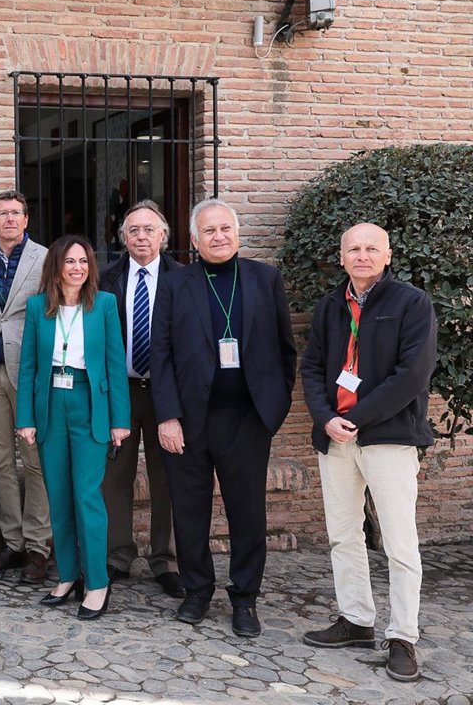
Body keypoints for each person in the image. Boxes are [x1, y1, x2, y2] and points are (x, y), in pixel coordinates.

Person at [150, 199, 296, 638]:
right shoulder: (177, 284)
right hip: (190, 419)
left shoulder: (265, 278)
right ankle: (197, 591)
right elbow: (161, 354)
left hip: (246, 418)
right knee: (190, 510)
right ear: (194, 241)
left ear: (237, 233)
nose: (218, 237)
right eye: (208, 231)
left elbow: (286, 350)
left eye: (225, 229)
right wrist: (168, 416)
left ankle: (245, 599)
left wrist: (273, 407)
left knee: (247, 512)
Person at [299, 223, 436, 682]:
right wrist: (325, 418)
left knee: (400, 544)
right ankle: (357, 620)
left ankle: (403, 637)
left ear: (388, 254)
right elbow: (314, 368)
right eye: (353, 249)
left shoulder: (411, 303)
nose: (362, 255)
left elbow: (412, 375)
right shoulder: (330, 306)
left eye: (371, 248)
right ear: (341, 258)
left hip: (389, 438)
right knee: (343, 534)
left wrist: (356, 418)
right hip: (335, 440)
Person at [16, 235, 130, 619]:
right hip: (50, 403)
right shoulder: (37, 308)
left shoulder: (105, 306)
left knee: (86, 495)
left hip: (89, 404)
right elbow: (28, 366)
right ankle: (67, 575)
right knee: (58, 496)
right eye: (70, 261)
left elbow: (116, 365)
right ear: (56, 268)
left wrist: (120, 420)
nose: (78, 267)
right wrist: (26, 418)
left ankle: (97, 582)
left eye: (83, 261)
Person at [97, 200, 184, 598]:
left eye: (150, 229)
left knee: (168, 477)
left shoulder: (184, 280)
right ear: (123, 238)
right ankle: (118, 555)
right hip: (123, 391)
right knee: (115, 476)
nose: (142, 237)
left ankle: (165, 560)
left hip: (169, 394)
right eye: (133, 230)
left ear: (163, 236)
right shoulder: (105, 279)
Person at [0, 190, 52, 584]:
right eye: (3, 213)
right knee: (1, 461)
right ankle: (12, 542)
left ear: (27, 219)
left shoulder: (45, 257)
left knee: (34, 462)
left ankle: (38, 546)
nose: (10, 219)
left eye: (17, 213)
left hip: (30, 371)